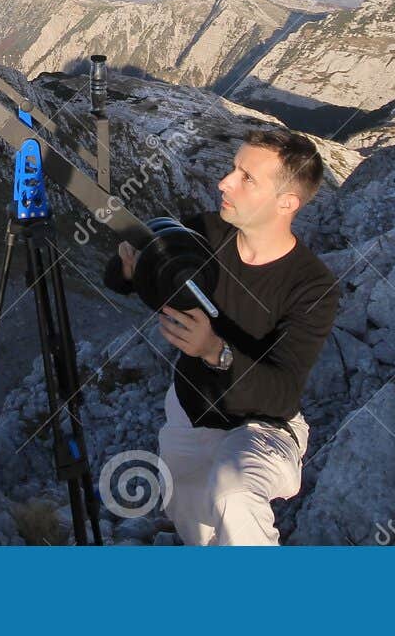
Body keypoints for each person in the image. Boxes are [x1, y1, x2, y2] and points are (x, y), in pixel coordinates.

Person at [104, 127, 339, 545]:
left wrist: (215, 351)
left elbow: (282, 393)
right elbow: (136, 279)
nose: (224, 182)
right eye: (233, 169)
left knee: (236, 494)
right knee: (197, 531)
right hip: (190, 415)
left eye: (247, 177)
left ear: (287, 202)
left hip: (261, 427)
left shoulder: (311, 286)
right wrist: (128, 270)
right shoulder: (207, 234)